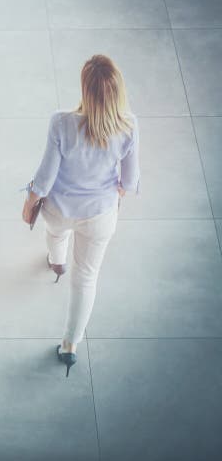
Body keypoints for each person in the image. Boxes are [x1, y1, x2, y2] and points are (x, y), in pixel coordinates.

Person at [22, 54, 140, 377]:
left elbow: (45, 177)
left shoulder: (61, 122)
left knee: (56, 234)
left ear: (85, 90)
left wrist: (29, 201)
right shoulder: (128, 126)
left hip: (60, 209)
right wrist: (115, 192)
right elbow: (129, 181)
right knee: (86, 279)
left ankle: (56, 261)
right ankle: (70, 344)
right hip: (101, 215)